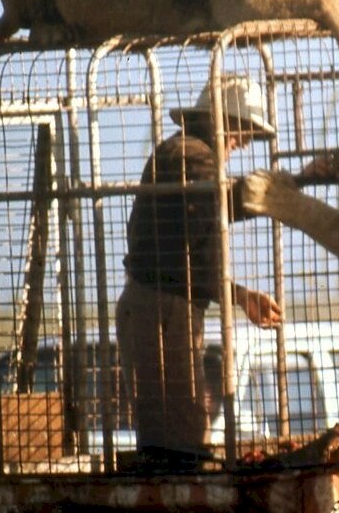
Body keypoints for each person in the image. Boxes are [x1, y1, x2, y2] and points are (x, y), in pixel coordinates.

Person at [116, 76, 283, 473]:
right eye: (243, 129)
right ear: (219, 120)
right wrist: (281, 193)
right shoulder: (193, 156)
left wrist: (239, 295)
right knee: (180, 448)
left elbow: (197, 245)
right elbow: (204, 245)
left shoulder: (183, 153)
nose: (243, 142)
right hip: (162, 313)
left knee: (177, 439)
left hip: (159, 309)